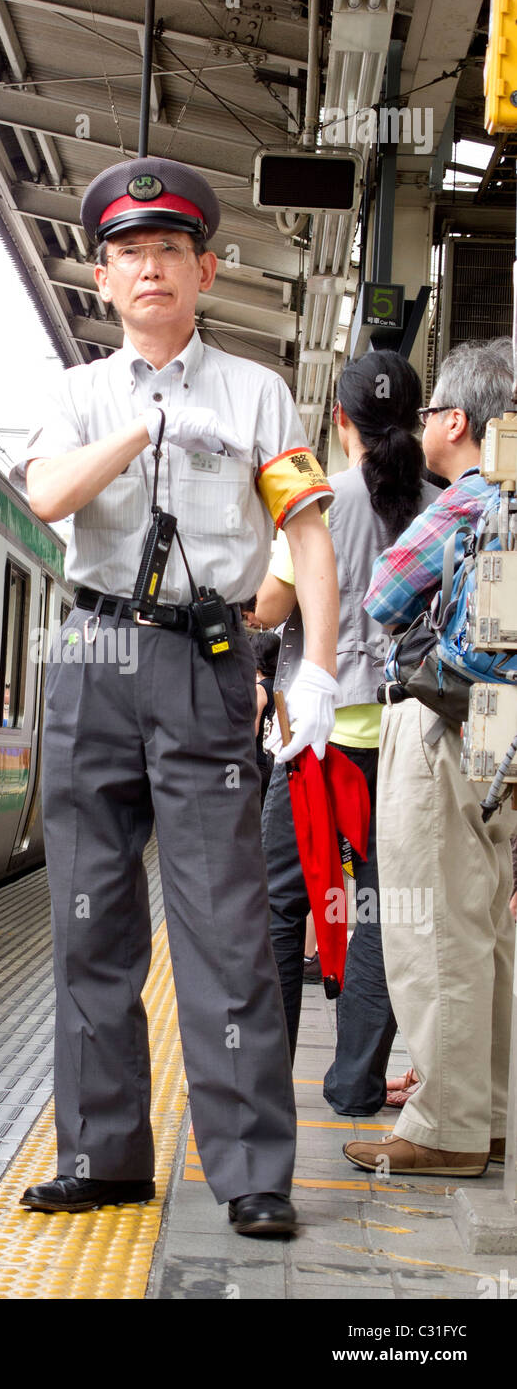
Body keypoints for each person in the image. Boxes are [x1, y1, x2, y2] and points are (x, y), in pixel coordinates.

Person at [10, 155, 340, 1236]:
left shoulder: (255, 393)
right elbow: (50, 496)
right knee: (88, 918)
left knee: (225, 922)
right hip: (91, 656)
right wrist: (140, 430)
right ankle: (101, 1156)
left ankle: (249, 1172)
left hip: (206, 664)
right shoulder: (74, 395)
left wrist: (318, 668)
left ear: (203, 267)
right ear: (100, 281)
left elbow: (305, 538)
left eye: (166, 250)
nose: (147, 269)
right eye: (124, 254)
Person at [345, 337, 517, 1176]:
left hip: (440, 716)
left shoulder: (468, 501)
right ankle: (482, 1115)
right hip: (501, 722)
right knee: (482, 922)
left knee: (433, 920)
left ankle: (443, 1129)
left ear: (456, 420)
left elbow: (385, 597)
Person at [253, 350, 440, 1115]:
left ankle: (263, 1081)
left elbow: (266, 608)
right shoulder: (446, 505)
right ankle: (357, 1083)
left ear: (341, 420)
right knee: (379, 910)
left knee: (279, 901)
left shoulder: (317, 507)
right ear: (418, 420)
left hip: (317, 740)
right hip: (405, 737)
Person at [249, 629, 279, 806]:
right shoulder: (284, 684)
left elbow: (252, 730)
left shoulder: (259, 689)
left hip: (260, 763)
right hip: (277, 760)